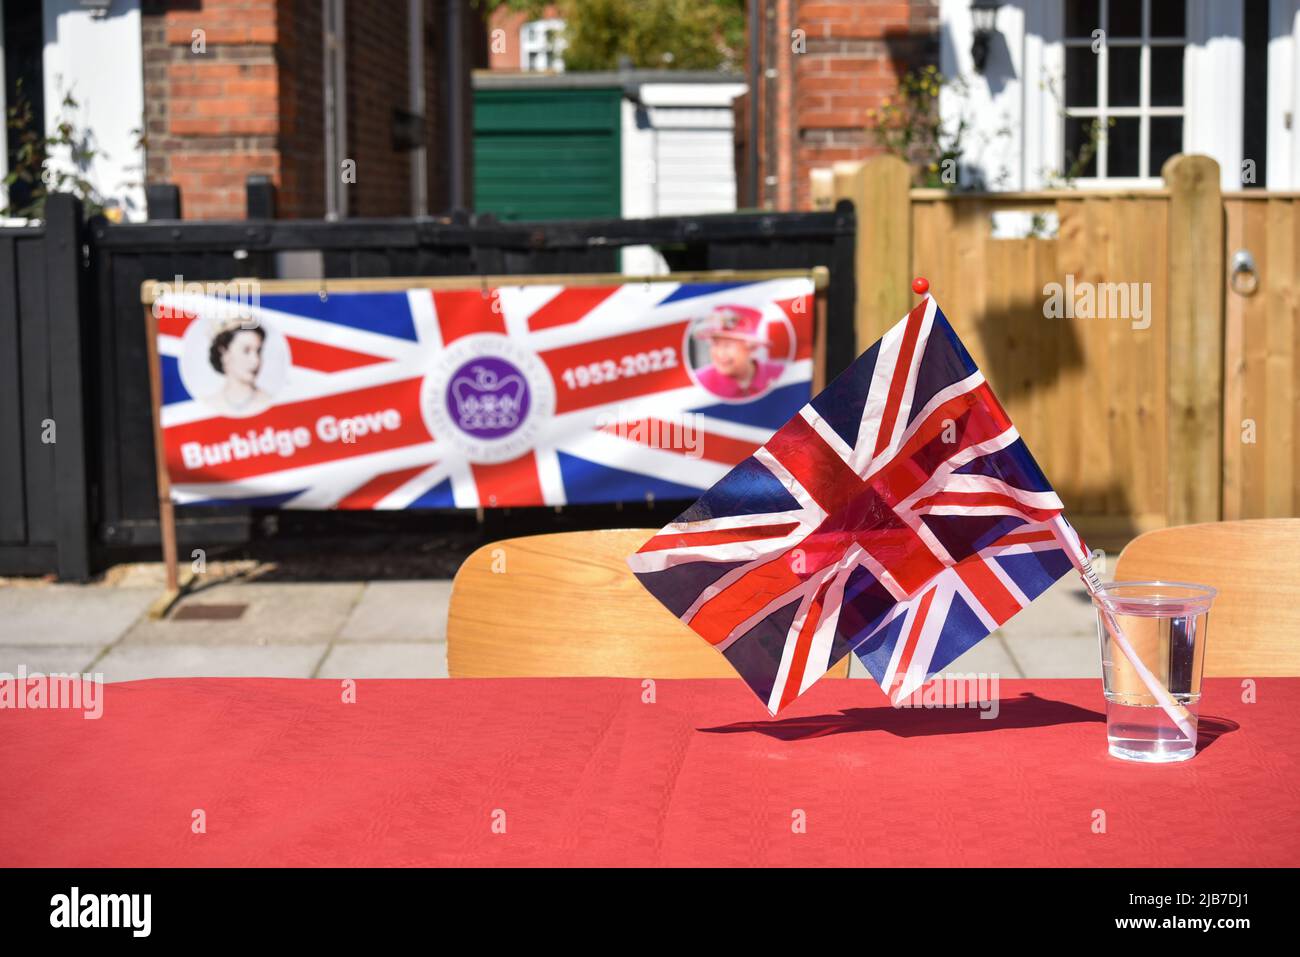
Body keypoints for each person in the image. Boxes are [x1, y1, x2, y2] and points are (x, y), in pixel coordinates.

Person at [691, 304, 784, 400]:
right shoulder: (698, 383)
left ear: (752, 348)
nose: (720, 353)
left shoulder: (780, 375)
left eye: (727, 345)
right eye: (715, 344)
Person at [205, 319, 273, 417]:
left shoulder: (268, 400)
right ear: (224, 353)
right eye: (246, 351)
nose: (256, 360)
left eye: (258, 351)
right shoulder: (209, 403)